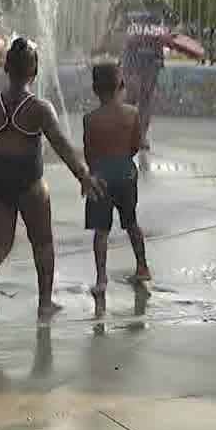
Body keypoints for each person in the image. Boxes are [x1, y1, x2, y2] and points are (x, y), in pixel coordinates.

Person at [0, 38, 104, 323]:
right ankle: (44, 303)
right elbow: (62, 145)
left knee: (1, 243)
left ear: (6, 67)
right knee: (42, 243)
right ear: (35, 72)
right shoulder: (39, 108)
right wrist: (83, 175)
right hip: (29, 181)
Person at [84, 63, 150, 295]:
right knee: (131, 222)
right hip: (125, 172)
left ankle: (101, 279)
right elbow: (136, 144)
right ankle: (142, 266)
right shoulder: (132, 114)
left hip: (101, 176)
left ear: (94, 89)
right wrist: (123, 161)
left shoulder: (90, 119)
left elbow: (89, 152)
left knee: (101, 231)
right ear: (121, 86)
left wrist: (90, 177)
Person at [120, 6, 170, 150]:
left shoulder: (158, 14)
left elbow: (163, 38)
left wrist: (159, 56)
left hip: (151, 60)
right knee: (132, 96)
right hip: (134, 59)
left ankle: (141, 136)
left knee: (146, 98)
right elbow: (125, 37)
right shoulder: (131, 14)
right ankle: (124, 133)